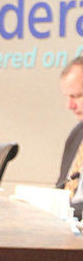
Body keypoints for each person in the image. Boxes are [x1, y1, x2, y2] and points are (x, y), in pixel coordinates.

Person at [57, 56, 83, 219]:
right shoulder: (76, 135)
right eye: (68, 97)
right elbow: (62, 189)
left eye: (77, 96)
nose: (70, 106)